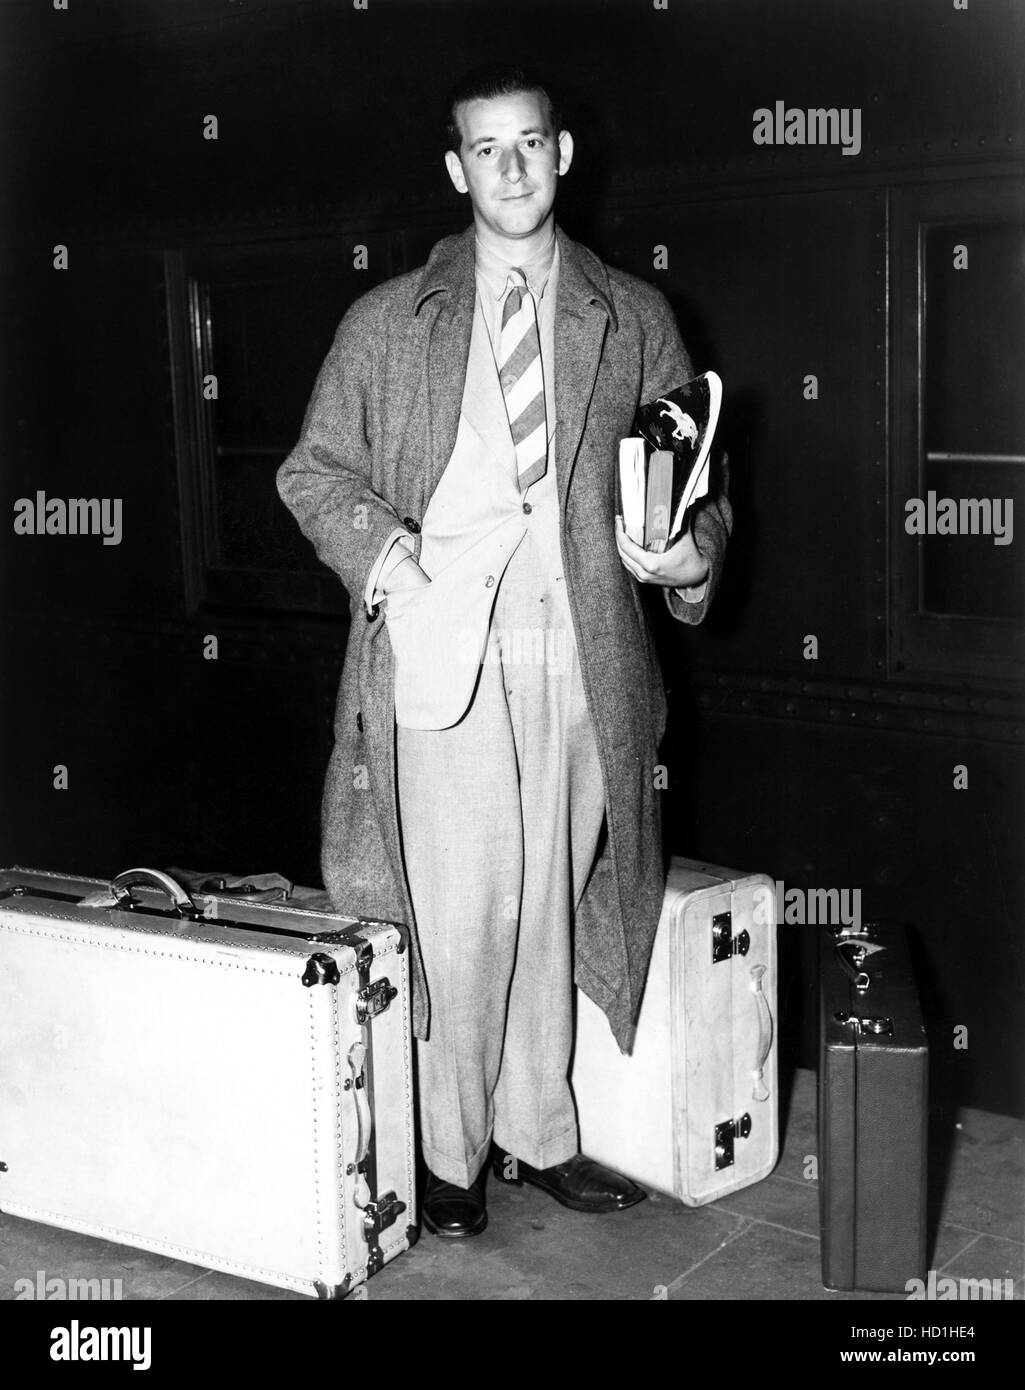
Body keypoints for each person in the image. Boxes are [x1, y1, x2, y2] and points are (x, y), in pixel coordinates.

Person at [277, 65, 732, 1239]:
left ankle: (539, 1135)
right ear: (454, 169)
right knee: (458, 912)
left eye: (530, 144)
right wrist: (400, 568)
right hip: (441, 659)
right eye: (487, 150)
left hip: (581, 652)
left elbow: (702, 487)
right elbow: (311, 473)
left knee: (549, 897)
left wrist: (686, 558)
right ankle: (447, 1156)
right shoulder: (388, 322)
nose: (513, 169)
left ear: (562, 154)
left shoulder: (630, 316)